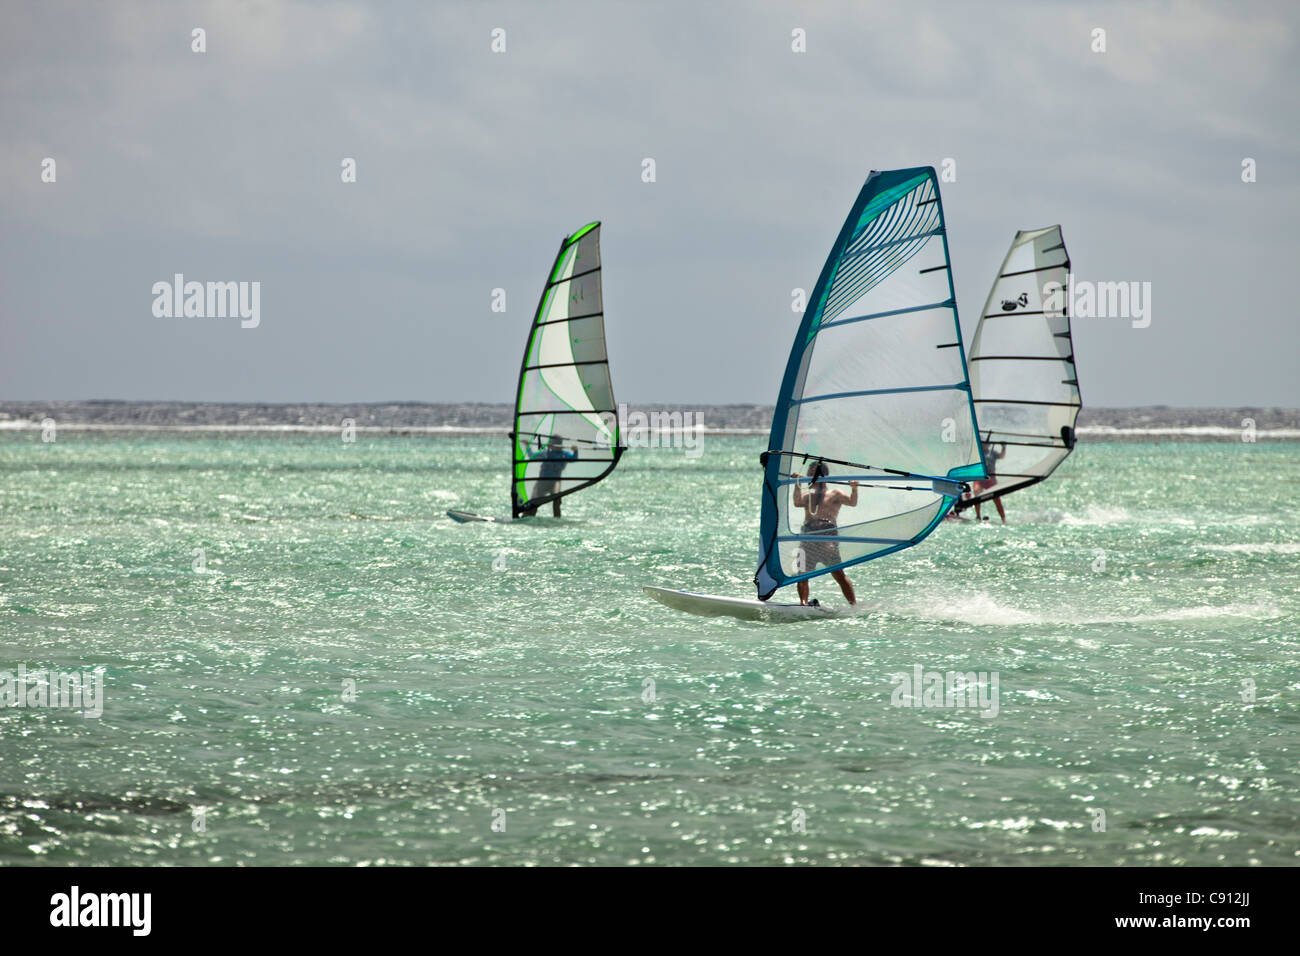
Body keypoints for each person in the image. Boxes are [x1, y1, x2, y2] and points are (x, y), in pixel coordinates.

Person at [790, 460, 857, 606]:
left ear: (824, 476)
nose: (810, 477)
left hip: (828, 538)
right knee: (802, 574)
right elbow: (796, 502)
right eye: (809, 474)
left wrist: (854, 489)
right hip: (808, 537)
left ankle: (853, 604)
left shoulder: (835, 494)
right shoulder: (808, 496)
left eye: (813, 474)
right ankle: (803, 604)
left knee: (838, 574)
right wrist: (797, 484)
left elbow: (852, 502)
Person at [521, 434, 577, 517]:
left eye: (551, 442)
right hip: (542, 482)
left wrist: (575, 450)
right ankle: (526, 517)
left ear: (557, 444)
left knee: (557, 501)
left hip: (555, 482)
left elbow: (574, 459)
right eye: (549, 442)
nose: (549, 444)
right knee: (534, 502)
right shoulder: (546, 453)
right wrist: (527, 446)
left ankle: (557, 520)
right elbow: (532, 456)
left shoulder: (564, 454)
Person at [968, 433, 1007, 523]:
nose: (985, 445)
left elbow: (1002, 456)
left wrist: (1004, 447)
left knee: (996, 499)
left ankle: (1003, 519)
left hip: (991, 478)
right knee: (977, 494)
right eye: (983, 443)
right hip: (980, 477)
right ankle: (978, 516)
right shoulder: (978, 453)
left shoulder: (992, 453)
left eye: (986, 443)